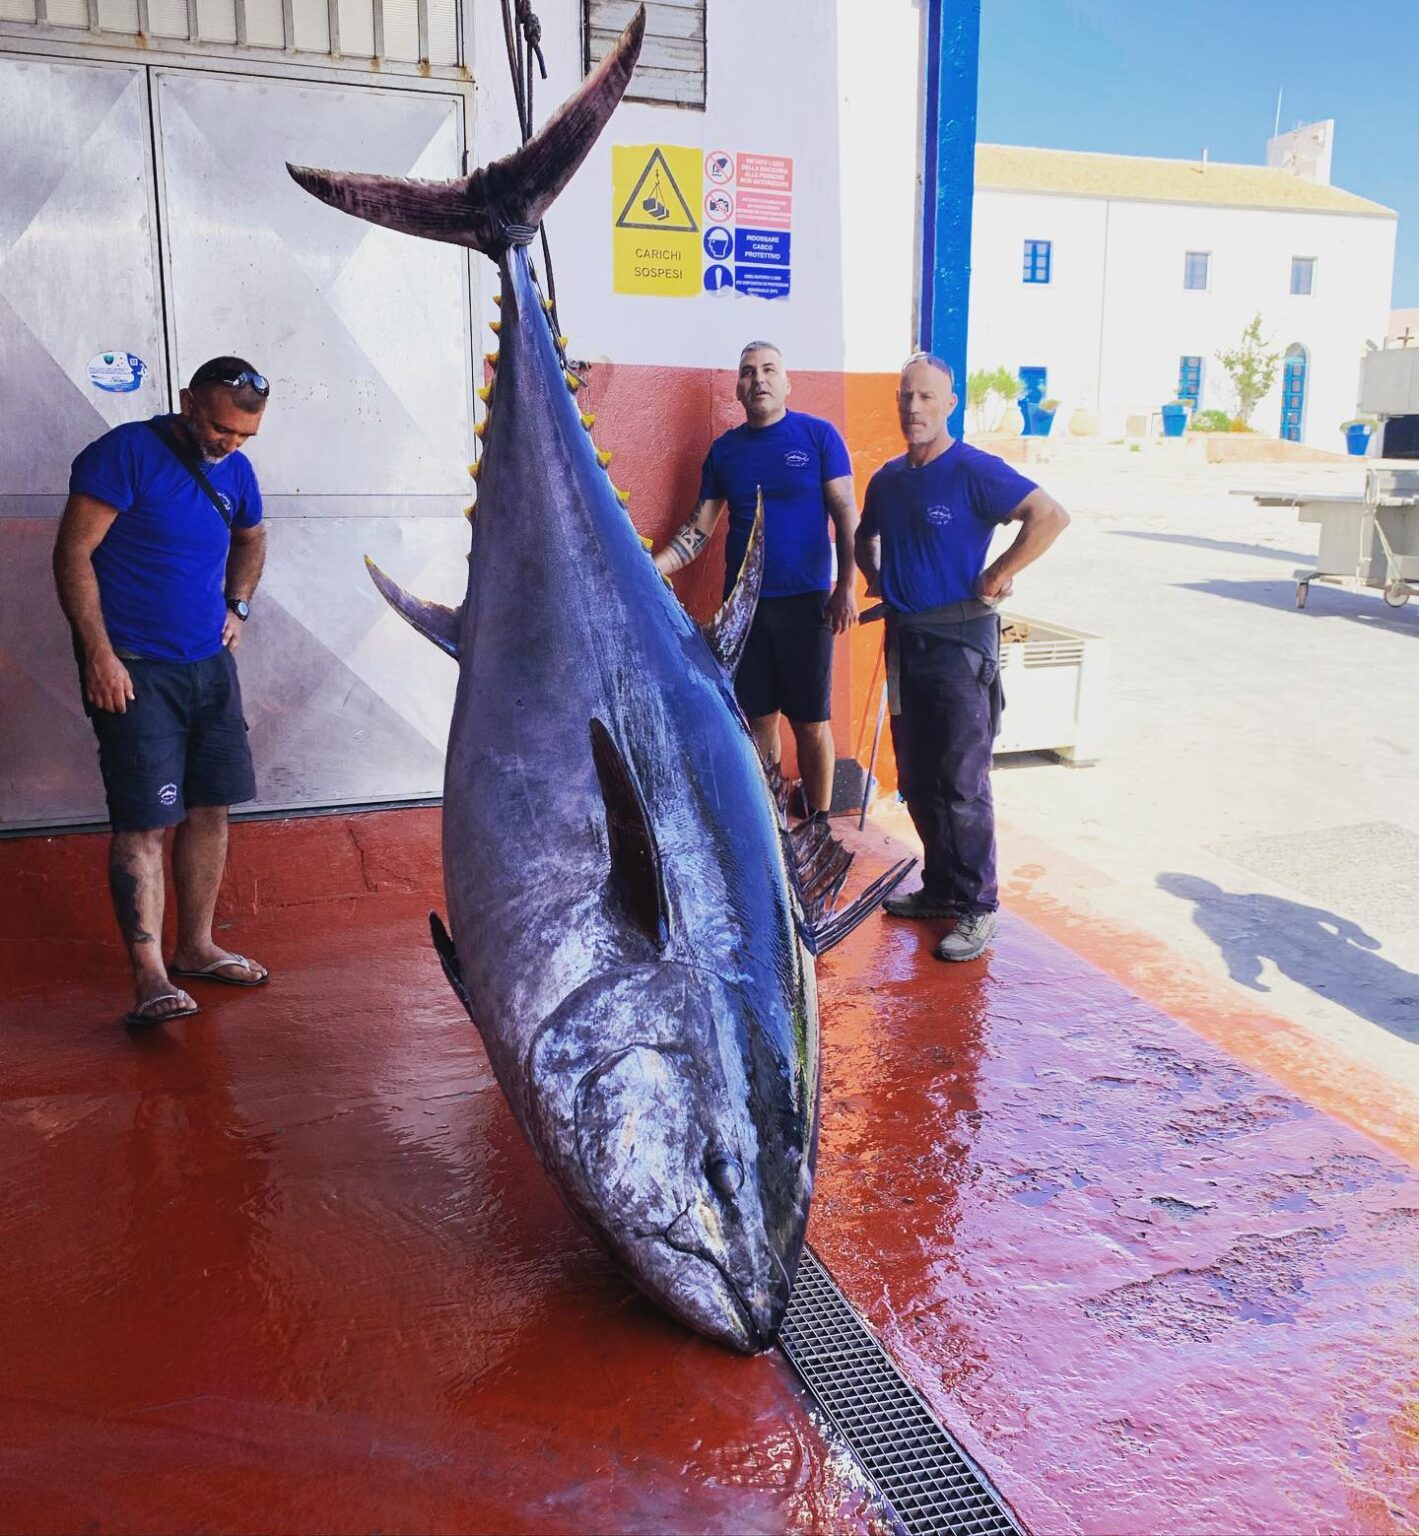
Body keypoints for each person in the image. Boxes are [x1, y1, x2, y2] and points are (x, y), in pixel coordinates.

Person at [53, 357, 272, 1027]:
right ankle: (148, 975)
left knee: (210, 807)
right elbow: (73, 554)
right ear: (187, 402)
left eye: (242, 435)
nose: (227, 443)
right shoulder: (126, 453)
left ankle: (197, 947)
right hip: (134, 668)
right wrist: (98, 653)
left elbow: (253, 536)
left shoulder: (235, 469)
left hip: (208, 669)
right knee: (145, 824)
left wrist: (237, 606)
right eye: (217, 427)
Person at [855, 353, 1069, 962]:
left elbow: (1049, 517)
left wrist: (998, 573)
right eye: (906, 396)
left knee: (961, 782)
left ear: (951, 405)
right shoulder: (889, 480)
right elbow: (861, 536)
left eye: (926, 397)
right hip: (906, 643)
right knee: (918, 780)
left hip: (961, 648)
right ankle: (941, 889)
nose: (913, 407)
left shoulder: (975, 470)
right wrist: (881, 580)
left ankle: (979, 909)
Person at [655, 341, 858, 817]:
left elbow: (846, 515)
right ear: (738, 389)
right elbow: (697, 532)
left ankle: (820, 821)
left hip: (809, 605)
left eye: (769, 370)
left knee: (811, 722)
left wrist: (846, 586)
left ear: (787, 383)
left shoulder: (819, 437)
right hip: (743, 614)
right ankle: (772, 821)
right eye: (748, 372)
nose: (759, 379)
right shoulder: (725, 453)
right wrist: (649, 568)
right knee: (759, 719)